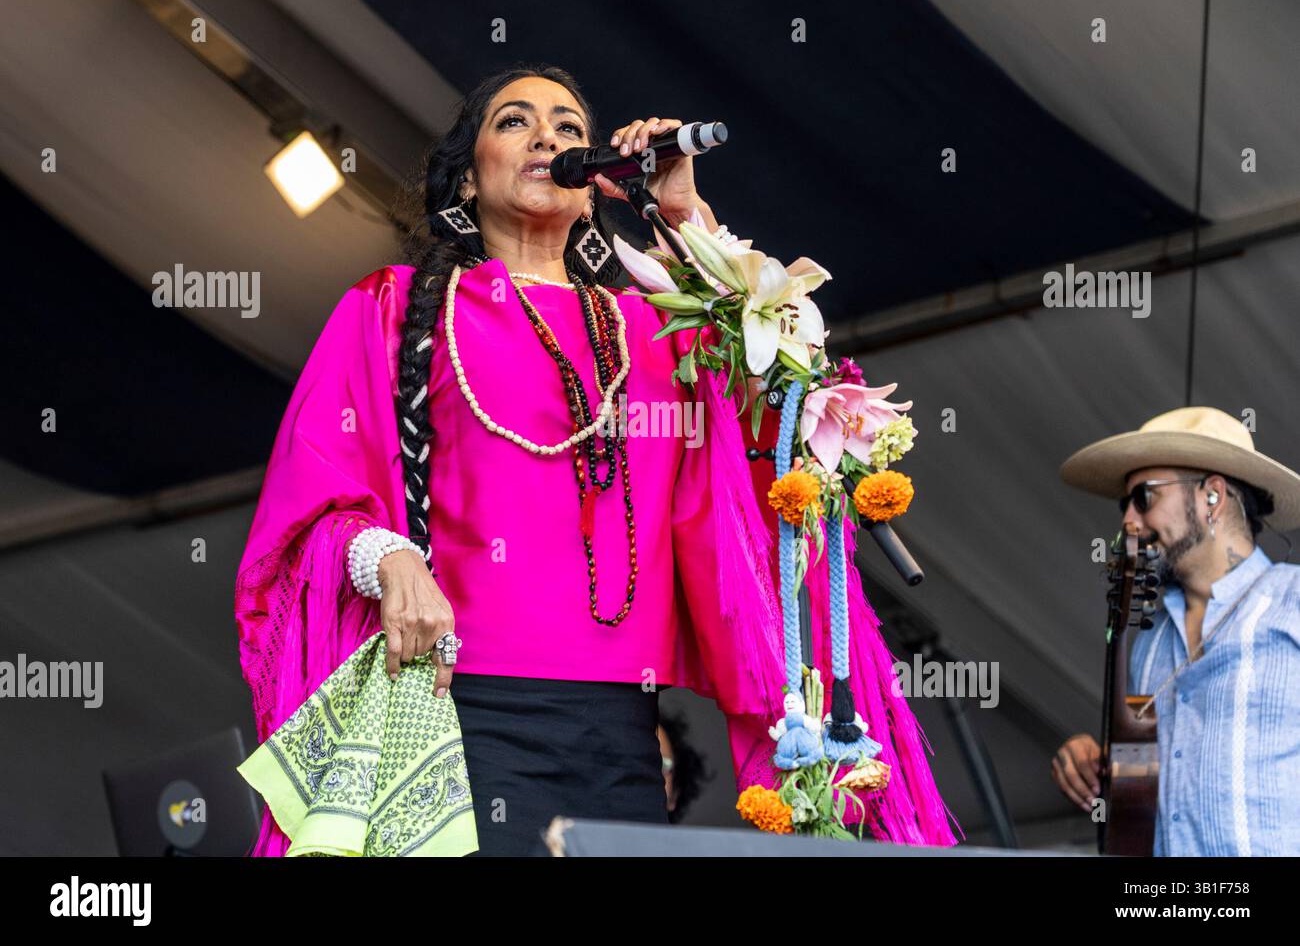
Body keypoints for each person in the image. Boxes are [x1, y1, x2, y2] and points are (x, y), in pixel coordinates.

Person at [234, 64, 954, 855]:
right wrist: (390, 559)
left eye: (570, 129)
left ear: (593, 183)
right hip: (456, 712)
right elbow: (314, 496)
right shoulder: (396, 305)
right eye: (514, 122)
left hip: (622, 729)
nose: (548, 136)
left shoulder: (657, 331)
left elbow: (777, 442)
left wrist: (683, 220)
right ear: (468, 182)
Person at [1054, 407, 1300, 855]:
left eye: (1144, 497)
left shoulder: (1294, 601)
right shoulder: (1146, 643)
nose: (1129, 521)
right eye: (1125, 503)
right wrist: (1092, 755)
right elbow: (1140, 780)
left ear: (1212, 496)